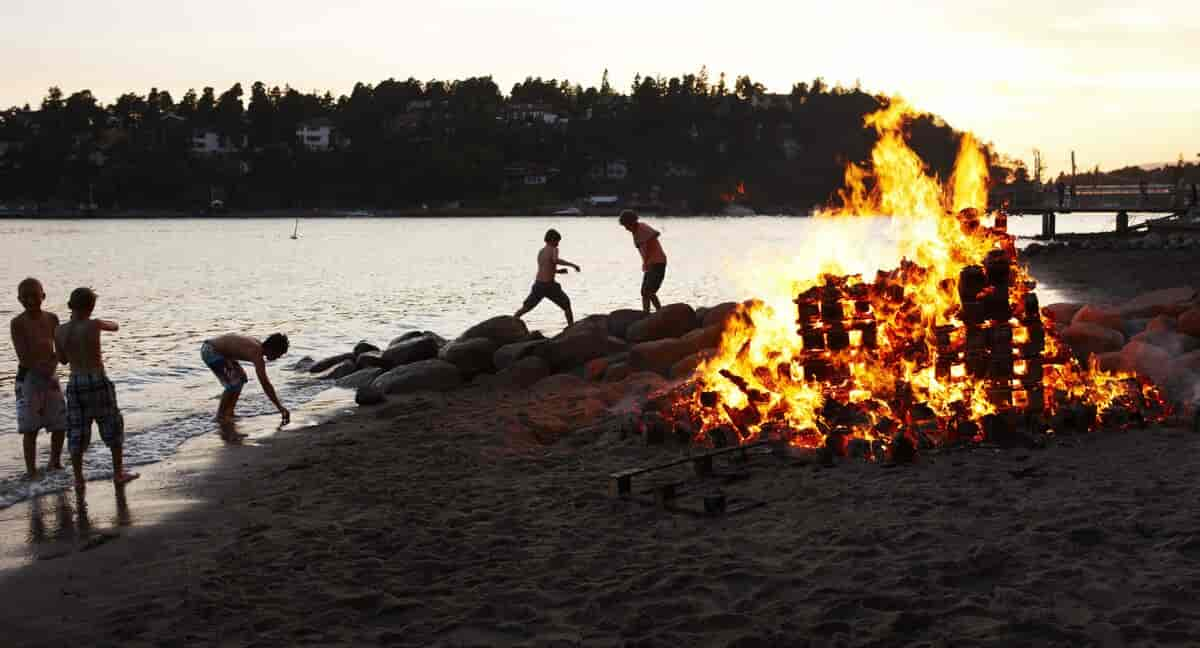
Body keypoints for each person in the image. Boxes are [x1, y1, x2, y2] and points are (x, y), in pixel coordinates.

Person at [55, 287, 137, 492]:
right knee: (111, 423)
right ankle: (118, 473)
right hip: (96, 379)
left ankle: (78, 479)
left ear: (69, 306)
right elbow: (115, 326)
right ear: (91, 307)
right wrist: (101, 323)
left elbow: (63, 360)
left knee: (77, 430)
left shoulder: (59, 331)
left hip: (75, 383)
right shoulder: (94, 324)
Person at [10, 278, 66, 479]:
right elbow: (23, 356)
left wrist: (53, 366)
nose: (30, 300)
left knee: (60, 423)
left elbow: (58, 349)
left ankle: (55, 461)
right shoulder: (17, 323)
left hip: (50, 375)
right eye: (25, 296)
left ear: (43, 296)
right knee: (30, 428)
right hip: (29, 378)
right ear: (19, 299)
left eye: (34, 295)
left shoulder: (52, 318)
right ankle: (31, 470)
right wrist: (44, 369)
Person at [200, 333, 290, 425]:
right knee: (233, 384)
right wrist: (280, 407)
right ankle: (220, 416)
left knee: (241, 378)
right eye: (279, 354)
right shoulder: (256, 353)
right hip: (211, 351)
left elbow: (232, 348)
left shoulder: (258, 346)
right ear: (273, 349)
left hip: (219, 351)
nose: (278, 357)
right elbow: (265, 384)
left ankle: (230, 413)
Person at [513, 228, 580, 326]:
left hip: (538, 285)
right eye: (557, 241)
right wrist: (572, 265)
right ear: (552, 240)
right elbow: (555, 260)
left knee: (526, 307)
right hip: (549, 286)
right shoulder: (554, 249)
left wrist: (558, 271)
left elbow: (545, 267)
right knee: (566, 304)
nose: (558, 243)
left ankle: (513, 320)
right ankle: (571, 327)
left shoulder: (541, 251)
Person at [618, 210, 667, 312]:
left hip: (657, 262)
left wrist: (646, 241)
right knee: (645, 292)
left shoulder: (642, 227)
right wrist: (645, 263)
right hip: (650, 263)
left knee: (648, 291)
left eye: (626, 225)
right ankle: (648, 312)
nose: (626, 229)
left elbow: (655, 234)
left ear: (631, 222)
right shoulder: (635, 232)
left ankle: (658, 312)